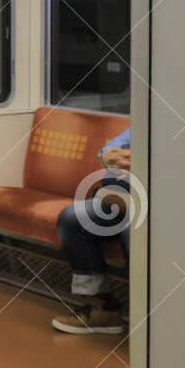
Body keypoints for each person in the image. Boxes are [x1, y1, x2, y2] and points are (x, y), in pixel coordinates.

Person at [52, 127, 131, 335]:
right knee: (73, 218)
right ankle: (104, 307)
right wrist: (110, 155)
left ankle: (146, 311)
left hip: (152, 204)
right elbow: (109, 149)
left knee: (134, 229)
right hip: (120, 198)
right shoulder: (148, 119)